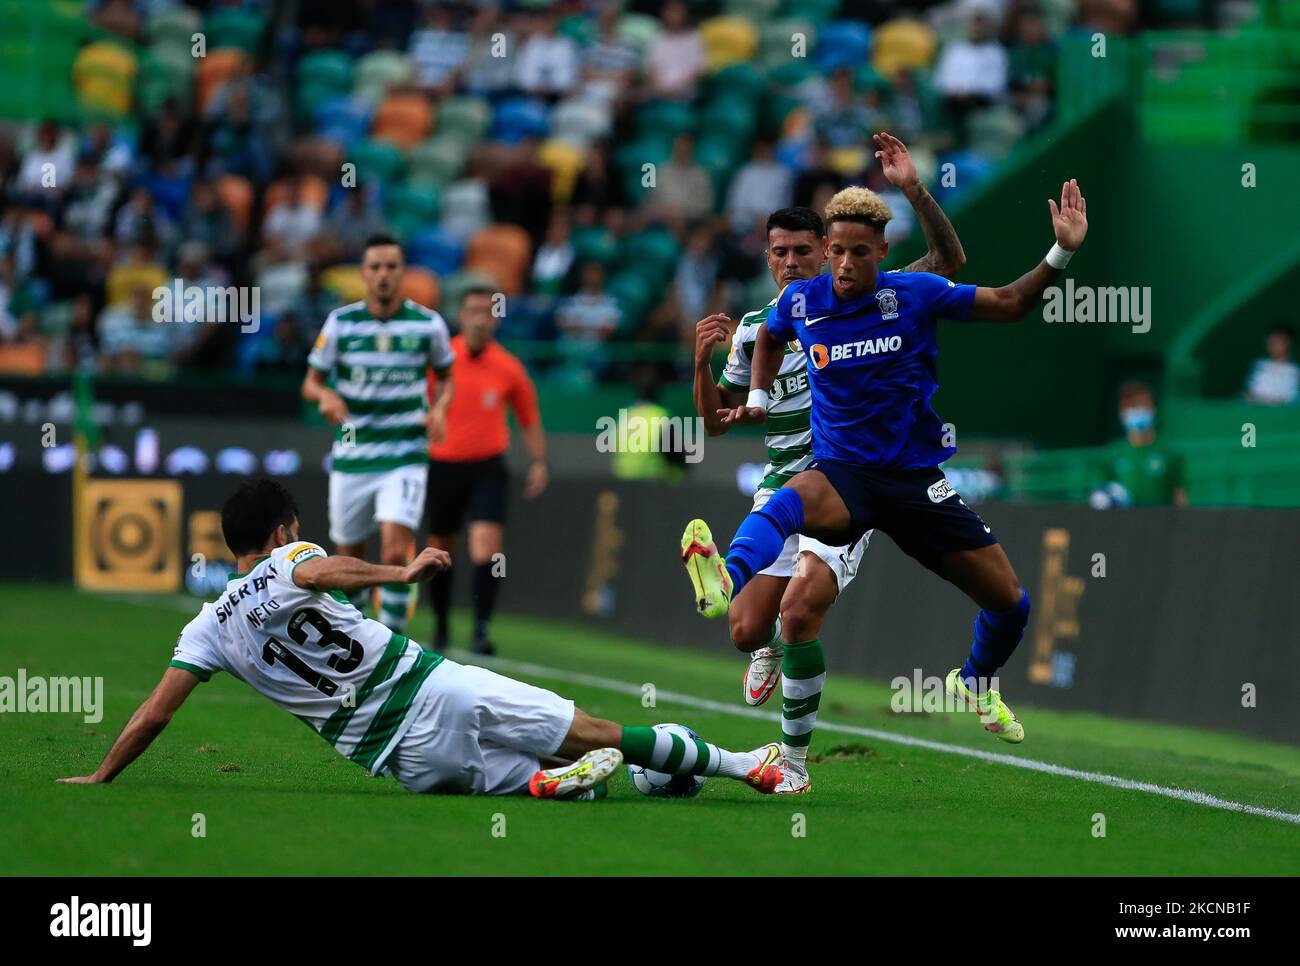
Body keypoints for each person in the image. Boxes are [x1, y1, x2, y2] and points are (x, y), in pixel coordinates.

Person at [682, 178, 1092, 763]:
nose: (846, 264)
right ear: (830, 249)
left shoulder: (917, 292)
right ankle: (727, 576)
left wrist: (1061, 252)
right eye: (839, 251)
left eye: (858, 252)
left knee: (1011, 602)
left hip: (915, 481)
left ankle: (974, 680)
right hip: (843, 473)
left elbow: (1010, 302)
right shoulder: (800, 302)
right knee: (784, 504)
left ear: (881, 252)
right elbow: (769, 339)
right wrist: (755, 395)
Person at [58, 481, 784, 799]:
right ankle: (742, 763)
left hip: (396, 757)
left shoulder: (205, 627)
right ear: (280, 532)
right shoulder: (290, 559)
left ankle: (544, 786)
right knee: (602, 733)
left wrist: (101, 776)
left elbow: (154, 714)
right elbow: (322, 572)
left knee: (563, 782)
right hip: (432, 686)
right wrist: (397, 567)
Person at [690, 133, 966, 794]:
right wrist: (698, 365)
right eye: (779, 253)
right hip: (783, 486)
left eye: (803, 252)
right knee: (746, 627)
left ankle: (793, 760)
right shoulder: (760, 328)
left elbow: (949, 261)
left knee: (801, 609)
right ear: (768, 256)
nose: (791, 263)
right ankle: (763, 641)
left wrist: (913, 189)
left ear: (830, 251)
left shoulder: (879, 298)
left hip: (850, 486)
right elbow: (713, 422)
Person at [301, 234, 454, 633]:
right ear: (364, 274)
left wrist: (438, 409)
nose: (383, 274)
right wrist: (326, 394)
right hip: (353, 454)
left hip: (405, 453)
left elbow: (447, 376)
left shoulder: (427, 325)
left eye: (391, 267)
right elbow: (310, 382)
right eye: (375, 267)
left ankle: (393, 640)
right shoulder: (341, 324)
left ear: (402, 273)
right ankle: (357, 632)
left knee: (393, 547)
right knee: (350, 552)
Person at [426, 286, 548, 656]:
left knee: (487, 549)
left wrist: (539, 461)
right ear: (461, 316)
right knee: (439, 548)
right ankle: (442, 625)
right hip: (443, 463)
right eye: (473, 310)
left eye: (487, 311)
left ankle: (481, 628)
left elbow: (528, 417)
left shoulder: (508, 367)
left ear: (495, 318)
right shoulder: (441, 361)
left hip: (487, 467)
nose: (481, 317)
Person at [1094, 381, 1188, 508]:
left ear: (1153, 409)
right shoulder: (1112, 455)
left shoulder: (1170, 454)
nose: (1137, 411)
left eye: (1142, 405)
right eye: (1131, 407)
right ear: (1122, 412)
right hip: (1124, 524)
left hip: (1160, 524)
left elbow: (1180, 497)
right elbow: (1101, 496)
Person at [1243, 324, 1299, 406]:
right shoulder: (1258, 366)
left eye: (1277, 341)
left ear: (1288, 343)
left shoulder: (1296, 372)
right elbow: (1247, 395)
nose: (1272, 345)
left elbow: (1290, 401)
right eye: (1271, 341)